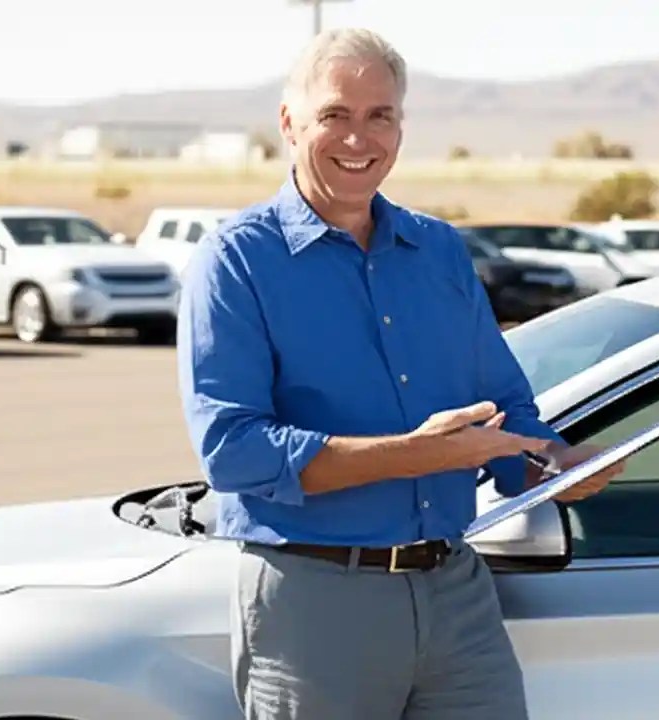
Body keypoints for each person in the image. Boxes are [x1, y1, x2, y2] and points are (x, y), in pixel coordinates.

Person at [176, 27, 623, 720]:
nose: (359, 139)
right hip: (316, 601)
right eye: (336, 116)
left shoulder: (438, 250)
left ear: (400, 126)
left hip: (455, 592)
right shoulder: (236, 262)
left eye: (379, 115)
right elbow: (234, 451)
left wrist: (552, 465)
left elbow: (503, 404)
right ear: (290, 124)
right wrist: (417, 455)